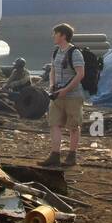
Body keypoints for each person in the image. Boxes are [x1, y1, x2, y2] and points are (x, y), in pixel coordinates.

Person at [42, 23, 84, 168]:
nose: (53, 36)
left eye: (56, 33)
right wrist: (52, 85)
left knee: (73, 126)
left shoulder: (75, 53)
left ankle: (72, 156)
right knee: (54, 123)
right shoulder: (56, 51)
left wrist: (66, 90)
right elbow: (52, 70)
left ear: (63, 36)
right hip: (57, 95)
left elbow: (80, 74)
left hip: (73, 96)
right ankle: (55, 155)